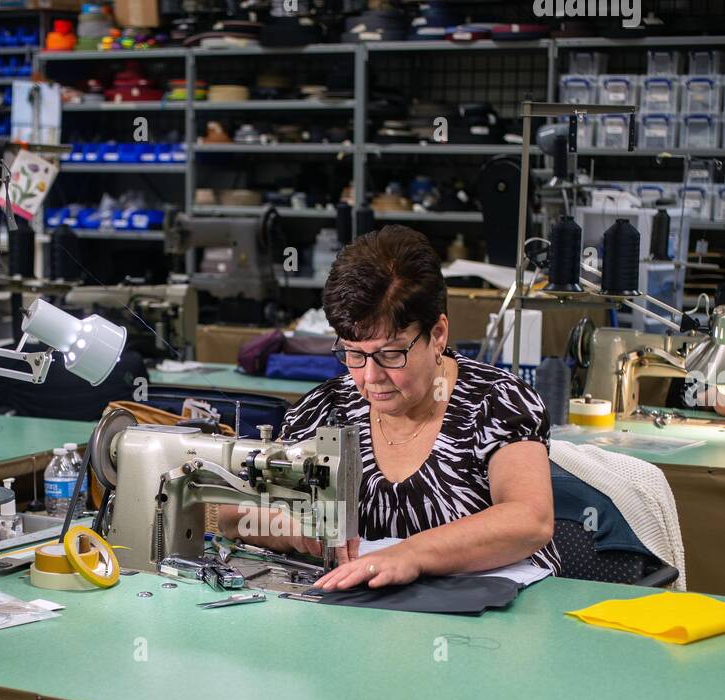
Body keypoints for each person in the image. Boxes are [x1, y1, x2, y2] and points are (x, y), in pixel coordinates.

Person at [218, 225, 559, 589]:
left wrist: (409, 555)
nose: (370, 376)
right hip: (362, 620)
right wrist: (296, 530)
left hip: (494, 621)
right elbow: (231, 515)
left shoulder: (497, 403)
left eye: (391, 353)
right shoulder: (323, 409)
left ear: (438, 334)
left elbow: (530, 519)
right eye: (353, 354)